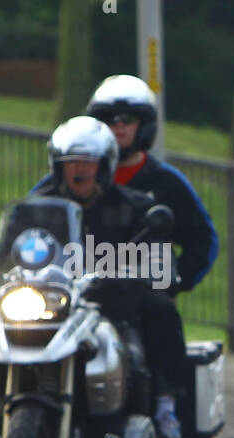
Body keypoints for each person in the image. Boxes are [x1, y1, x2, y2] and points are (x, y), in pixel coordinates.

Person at [32, 116, 188, 438]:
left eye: (88, 162)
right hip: (56, 306)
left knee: (160, 309)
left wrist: (152, 269)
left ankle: (164, 408)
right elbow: (14, 246)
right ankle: (5, 433)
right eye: (71, 162)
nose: (80, 170)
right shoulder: (39, 205)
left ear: (105, 165)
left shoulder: (135, 206)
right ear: (57, 167)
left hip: (116, 305)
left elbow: (160, 255)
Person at [82, 75, 219, 296]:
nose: (119, 126)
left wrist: (172, 283)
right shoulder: (76, 176)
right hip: (77, 296)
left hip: (140, 304)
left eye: (127, 119)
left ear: (144, 124)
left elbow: (203, 241)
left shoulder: (167, 181)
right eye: (110, 118)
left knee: (162, 323)